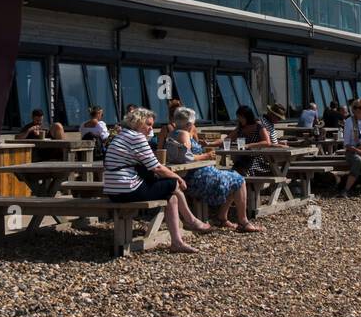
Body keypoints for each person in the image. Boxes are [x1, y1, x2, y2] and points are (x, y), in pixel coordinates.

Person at [102, 106, 213, 253]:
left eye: (152, 125)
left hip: (112, 190)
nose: (150, 129)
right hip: (127, 189)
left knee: (171, 196)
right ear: (137, 122)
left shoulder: (122, 135)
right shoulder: (137, 138)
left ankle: (178, 239)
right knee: (172, 183)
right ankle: (191, 222)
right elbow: (157, 167)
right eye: (148, 124)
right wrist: (178, 178)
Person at [165, 107, 262, 232]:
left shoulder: (172, 133)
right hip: (198, 178)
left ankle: (223, 217)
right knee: (239, 180)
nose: (194, 125)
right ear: (189, 124)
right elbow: (186, 156)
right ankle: (242, 221)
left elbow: (179, 156)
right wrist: (205, 156)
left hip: (188, 177)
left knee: (234, 177)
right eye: (193, 123)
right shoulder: (184, 134)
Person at [225, 105, 272, 176]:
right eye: (238, 117)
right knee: (228, 168)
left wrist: (248, 145)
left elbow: (267, 142)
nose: (239, 119)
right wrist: (210, 144)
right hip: (242, 158)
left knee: (240, 170)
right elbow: (227, 140)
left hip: (256, 159)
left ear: (247, 117)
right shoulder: (240, 128)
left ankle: (244, 185)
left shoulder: (259, 127)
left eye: (240, 117)